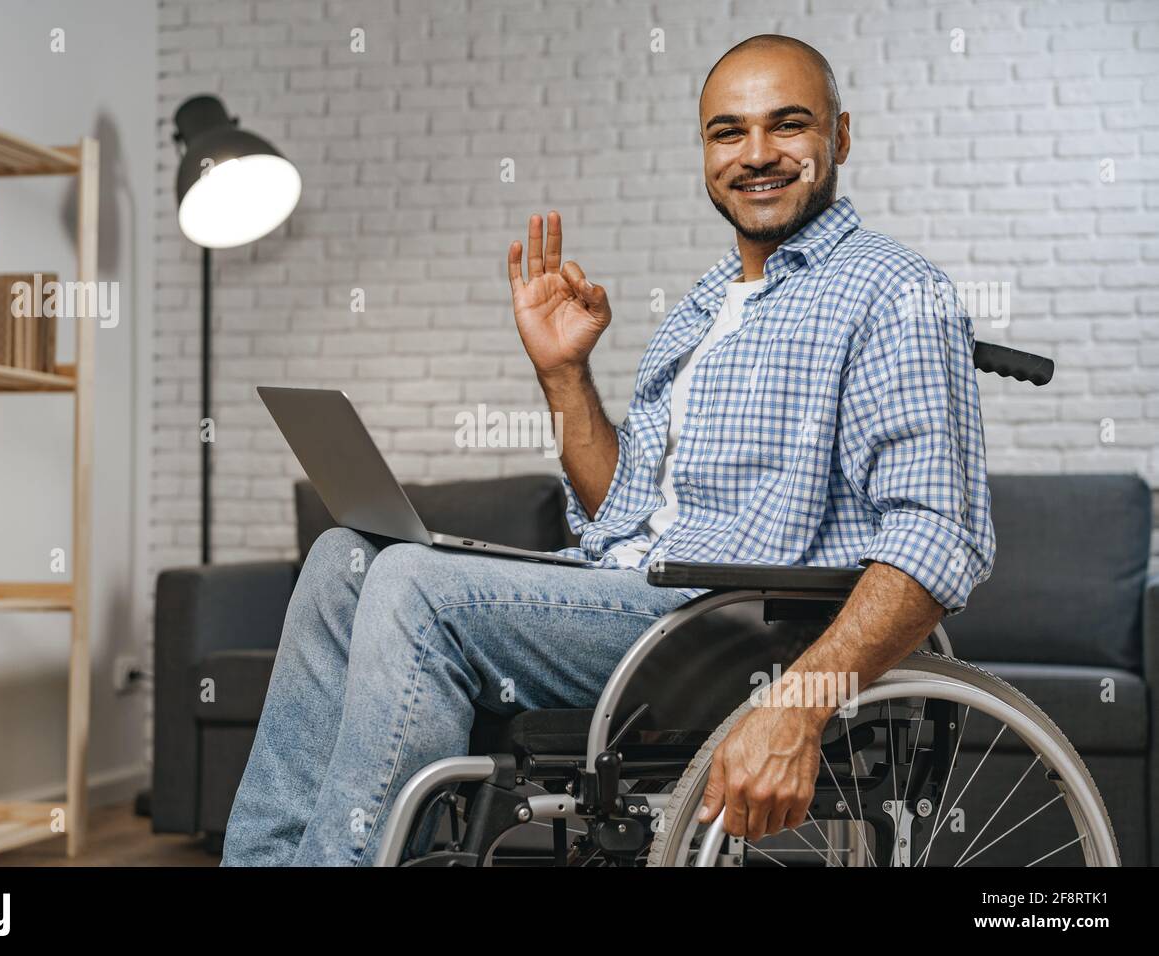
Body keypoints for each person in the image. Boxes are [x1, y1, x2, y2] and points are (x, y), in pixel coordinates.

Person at [222, 34, 994, 866]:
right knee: (345, 557)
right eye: (728, 132)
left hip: (734, 631)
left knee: (414, 588)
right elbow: (620, 513)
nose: (758, 154)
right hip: (635, 595)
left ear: (838, 138)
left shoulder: (895, 289)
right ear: (705, 151)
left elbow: (937, 536)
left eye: (789, 125)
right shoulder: (707, 305)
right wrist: (564, 374)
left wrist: (796, 705)